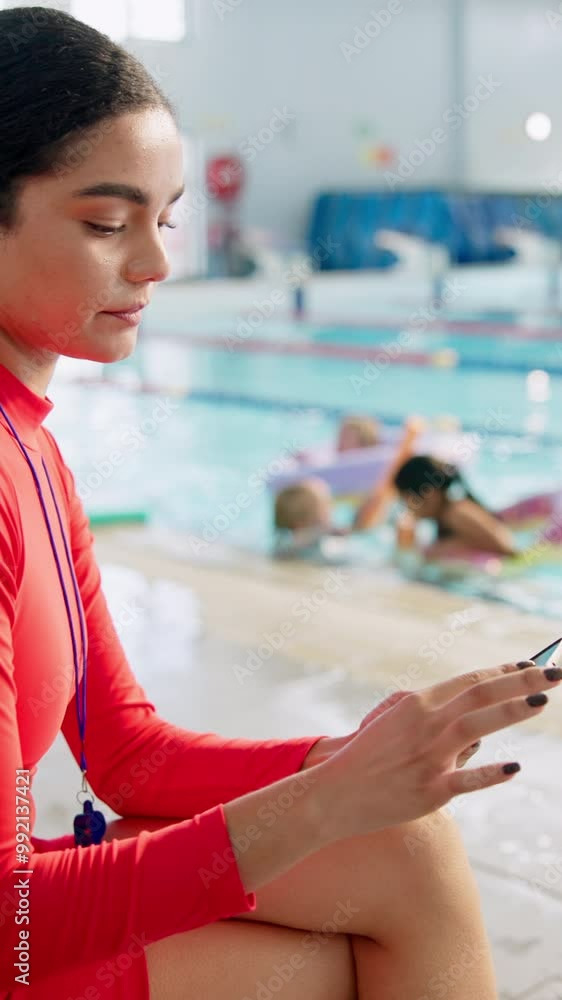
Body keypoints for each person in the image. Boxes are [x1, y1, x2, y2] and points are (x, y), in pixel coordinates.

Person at [0, 9, 559, 1000]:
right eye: (105, 223)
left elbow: (124, 750)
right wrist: (322, 801)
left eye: (162, 219)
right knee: (334, 955)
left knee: (401, 844)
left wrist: (353, 760)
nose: (157, 265)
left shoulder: (34, 450)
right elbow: (15, 927)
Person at [274, 418, 422, 556]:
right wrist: (408, 441)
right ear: (300, 524)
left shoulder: (288, 543)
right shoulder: (308, 540)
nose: (330, 513)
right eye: (325, 508)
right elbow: (381, 494)